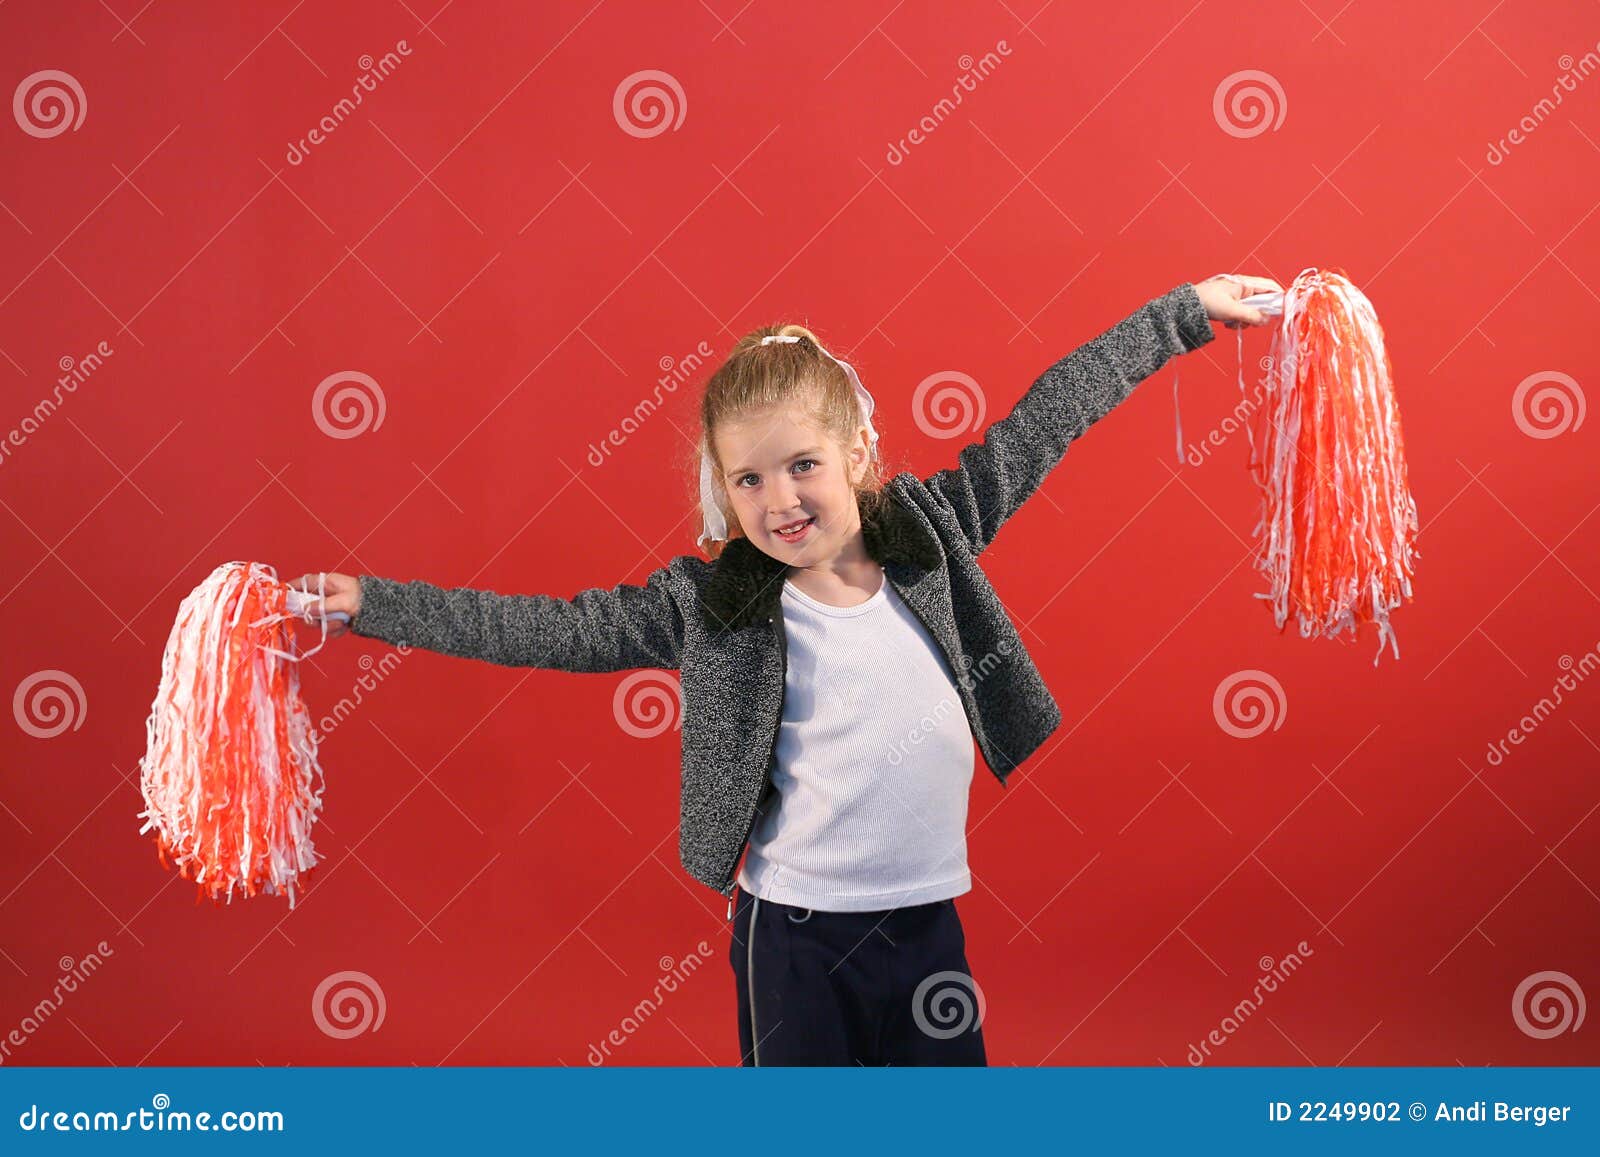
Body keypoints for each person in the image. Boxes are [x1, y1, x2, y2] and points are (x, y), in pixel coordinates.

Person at [291, 273, 1282, 1065]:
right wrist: (370, 603)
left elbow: (1044, 420)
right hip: (794, 939)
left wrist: (1181, 314)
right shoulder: (714, 603)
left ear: (855, 451)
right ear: (722, 489)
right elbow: (547, 628)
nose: (780, 498)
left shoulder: (933, 534)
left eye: (802, 463)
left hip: (925, 924)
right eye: (748, 478)